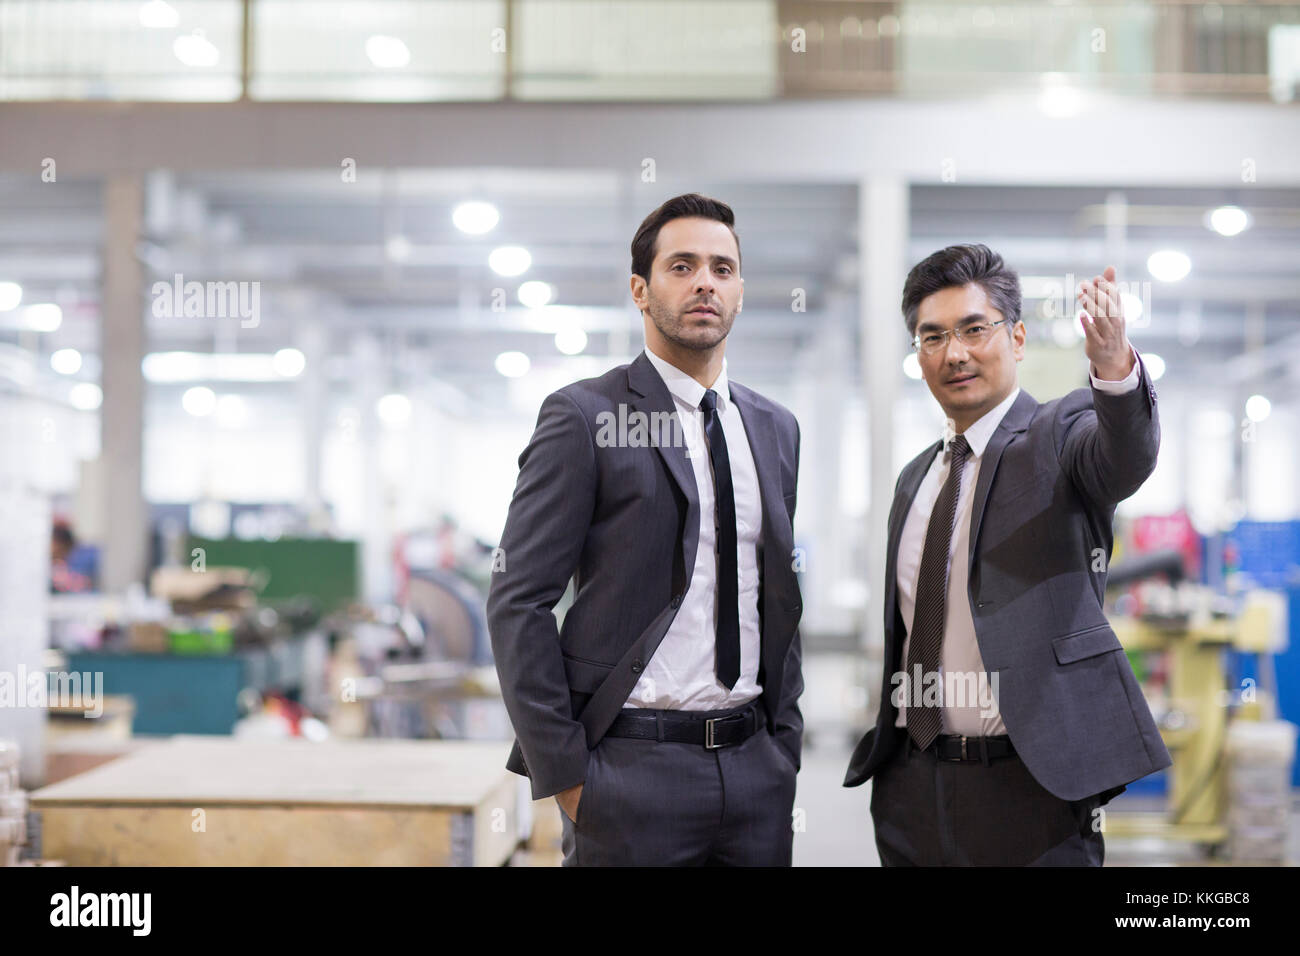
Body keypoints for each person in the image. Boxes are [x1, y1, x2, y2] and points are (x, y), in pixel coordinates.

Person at [488, 193, 804, 866]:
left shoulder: (774, 428)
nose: (704, 283)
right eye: (682, 266)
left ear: (741, 291)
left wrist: (784, 744)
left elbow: (774, 593)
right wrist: (568, 776)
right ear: (641, 289)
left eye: (722, 268)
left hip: (756, 773)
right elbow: (518, 599)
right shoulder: (584, 416)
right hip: (629, 772)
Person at [844, 244, 1172, 866]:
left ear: (1016, 338)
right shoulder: (916, 479)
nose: (955, 352)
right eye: (932, 336)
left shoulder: (1058, 435)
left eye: (974, 329)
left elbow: (1123, 458)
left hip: (1030, 793)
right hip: (913, 790)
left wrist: (1112, 368)